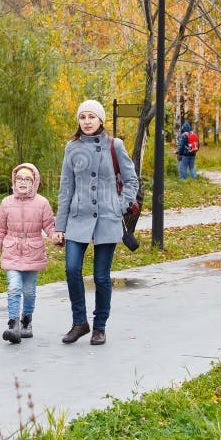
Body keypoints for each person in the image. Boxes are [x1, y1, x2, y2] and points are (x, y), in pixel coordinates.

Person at [52, 100, 139, 345]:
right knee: (72, 270)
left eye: (91, 117)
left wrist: (119, 206)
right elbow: (65, 188)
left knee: (101, 277)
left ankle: (99, 326)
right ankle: (79, 322)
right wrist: (60, 226)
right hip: (77, 218)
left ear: (101, 120)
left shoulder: (114, 145)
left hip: (107, 219)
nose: (87, 121)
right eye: (83, 117)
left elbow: (132, 181)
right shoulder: (72, 148)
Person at [0, 163, 56, 344]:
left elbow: (50, 226)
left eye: (27, 179)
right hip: (12, 250)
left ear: (34, 182)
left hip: (33, 251)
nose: (23, 182)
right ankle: (13, 325)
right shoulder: (6, 203)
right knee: (14, 287)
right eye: (19, 178)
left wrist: (56, 237)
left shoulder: (42, 203)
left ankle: (26, 321)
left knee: (29, 291)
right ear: (14, 181)